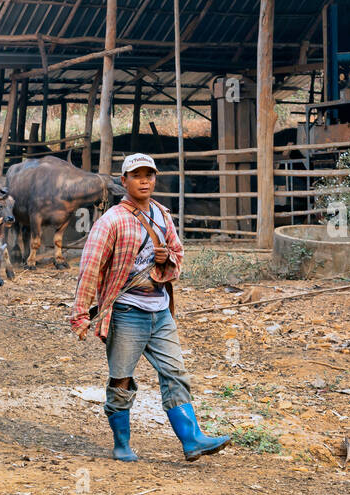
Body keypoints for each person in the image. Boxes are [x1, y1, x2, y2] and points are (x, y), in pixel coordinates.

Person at [69, 153, 231, 463]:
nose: (144, 180)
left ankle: (192, 439)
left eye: (149, 175)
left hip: (160, 310)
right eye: (137, 175)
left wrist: (164, 260)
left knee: (175, 373)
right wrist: (80, 314)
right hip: (127, 312)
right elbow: (90, 268)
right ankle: (121, 444)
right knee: (121, 379)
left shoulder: (162, 215)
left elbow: (178, 255)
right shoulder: (111, 221)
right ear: (124, 181)